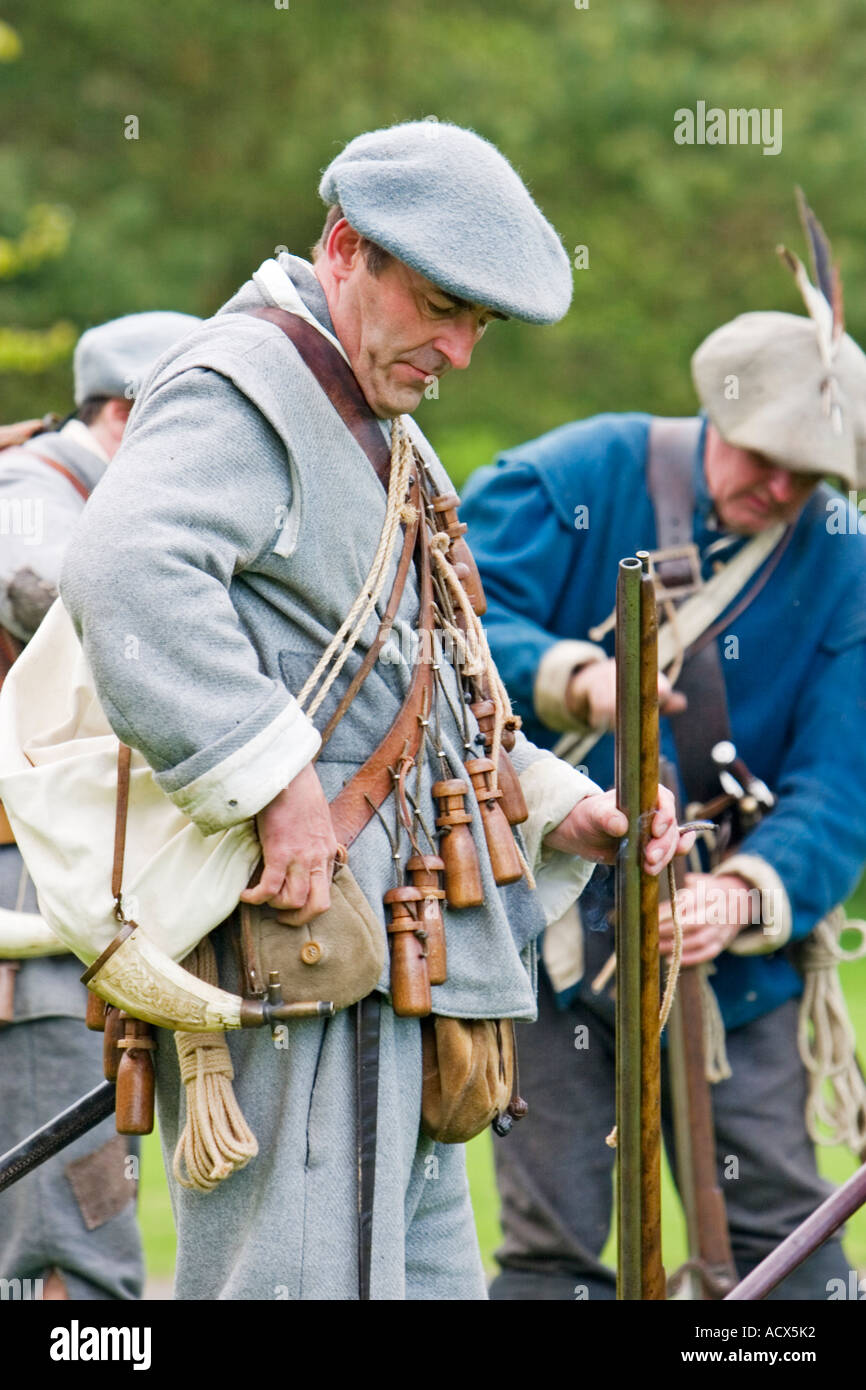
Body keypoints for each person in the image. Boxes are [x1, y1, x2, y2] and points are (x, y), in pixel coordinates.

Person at [58, 122, 690, 1301]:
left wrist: (561, 811)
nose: (458, 350)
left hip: (396, 957)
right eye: (442, 307)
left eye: (480, 326)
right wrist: (274, 785)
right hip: (310, 950)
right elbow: (125, 572)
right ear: (346, 246)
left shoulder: (378, 424)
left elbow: (435, 681)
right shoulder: (245, 384)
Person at [460, 256, 866, 1300]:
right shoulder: (573, 478)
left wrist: (736, 895)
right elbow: (443, 628)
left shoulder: (840, 560)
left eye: (806, 475)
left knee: (788, 1237)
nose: (779, 488)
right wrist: (574, 677)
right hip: (549, 920)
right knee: (551, 1247)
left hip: (728, 949)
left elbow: (839, 783)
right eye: (767, 455)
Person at [0, 310, 200, 1300]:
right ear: (128, 417)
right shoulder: (29, 491)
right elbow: (44, 590)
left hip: (72, 876)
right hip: (26, 890)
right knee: (66, 1231)